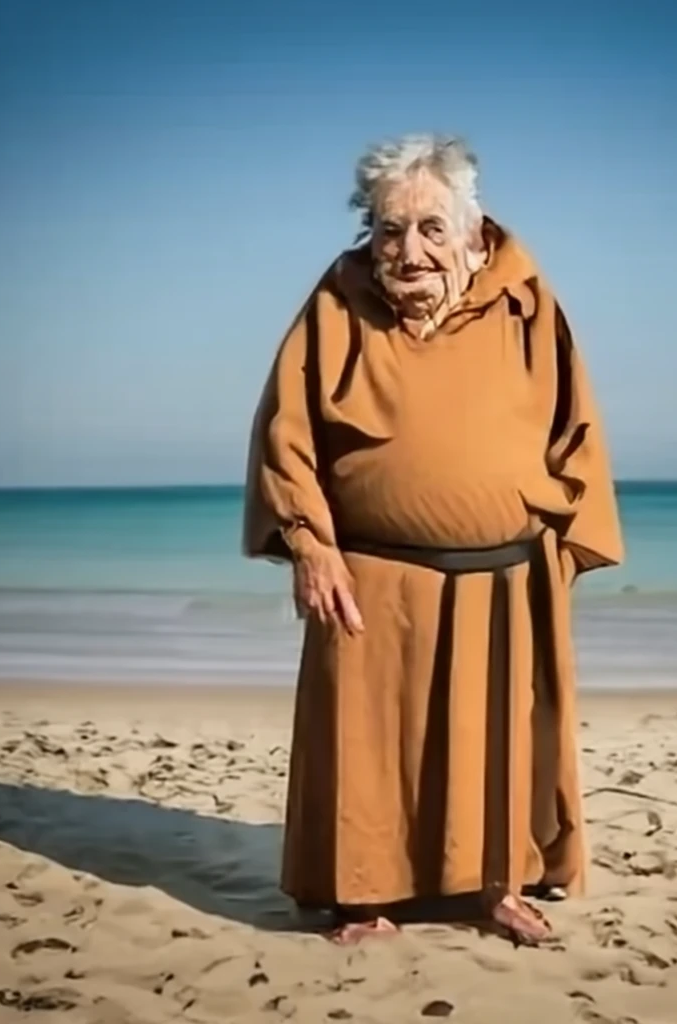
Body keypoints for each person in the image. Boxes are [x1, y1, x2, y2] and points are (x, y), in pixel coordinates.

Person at [242, 134, 623, 945]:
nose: (408, 250)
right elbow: (287, 432)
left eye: (429, 228)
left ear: (472, 230)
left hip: (508, 575)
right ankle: (365, 895)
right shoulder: (337, 304)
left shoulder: (527, 303)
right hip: (370, 574)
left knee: (501, 744)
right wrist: (311, 544)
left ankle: (501, 888)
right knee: (368, 748)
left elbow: (576, 428)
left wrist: (565, 543)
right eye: (388, 230)